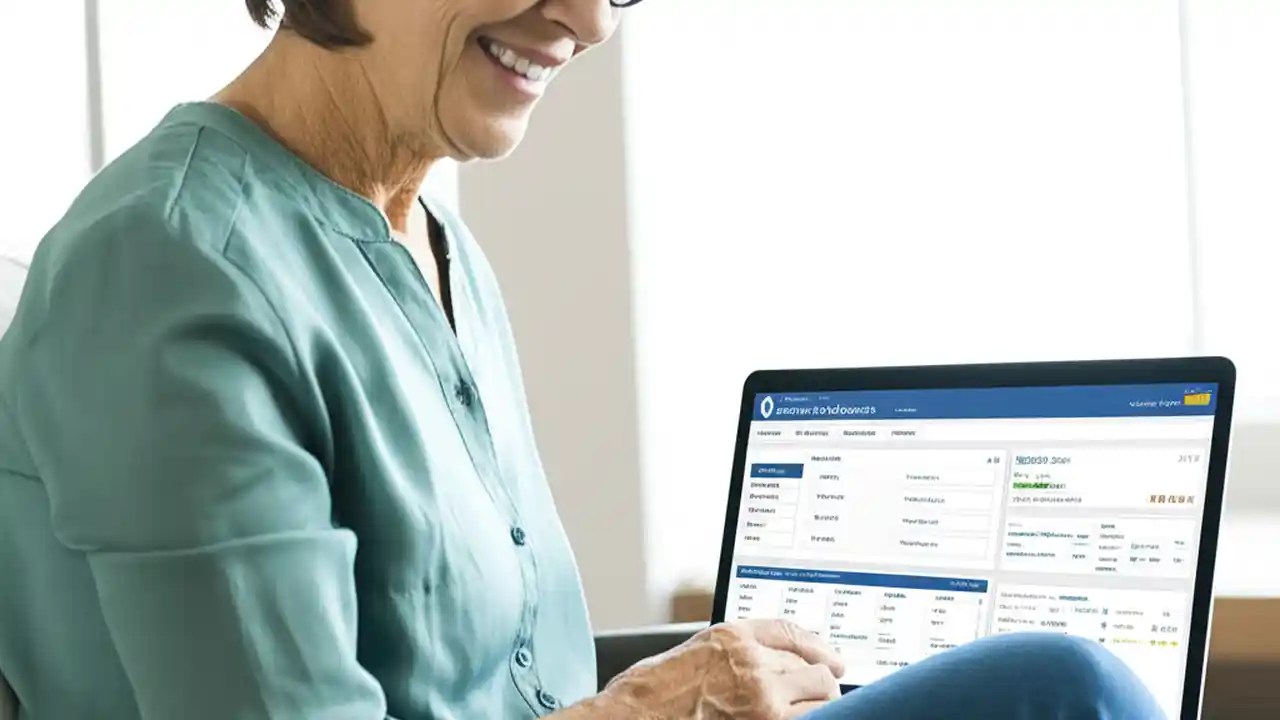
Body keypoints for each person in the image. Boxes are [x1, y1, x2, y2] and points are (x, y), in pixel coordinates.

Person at [0, 1, 1167, 718]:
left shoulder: (431, 233)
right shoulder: (166, 263)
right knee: (1069, 693)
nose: (593, 18)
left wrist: (705, 675)